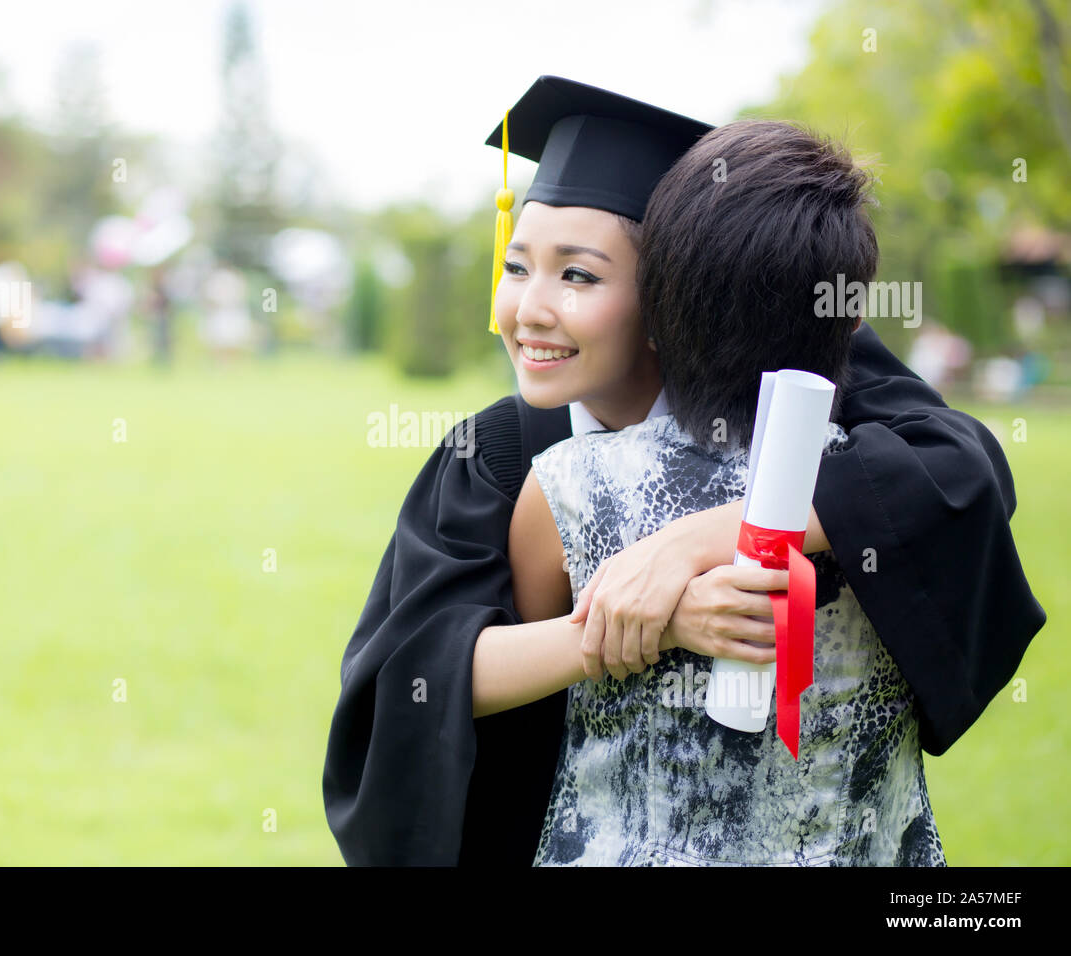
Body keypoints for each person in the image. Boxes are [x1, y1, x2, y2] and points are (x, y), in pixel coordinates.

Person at [322, 76, 1046, 867]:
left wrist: (697, 540)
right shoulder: (499, 453)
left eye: (579, 276)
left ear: (673, 296)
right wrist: (642, 620)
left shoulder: (794, 380)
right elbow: (413, 672)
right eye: (519, 266)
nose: (529, 307)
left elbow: (961, 464)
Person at [510, 119, 956, 865]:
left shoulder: (567, 488)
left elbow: (540, 705)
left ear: (659, 304)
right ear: (849, 318)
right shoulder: (906, 500)